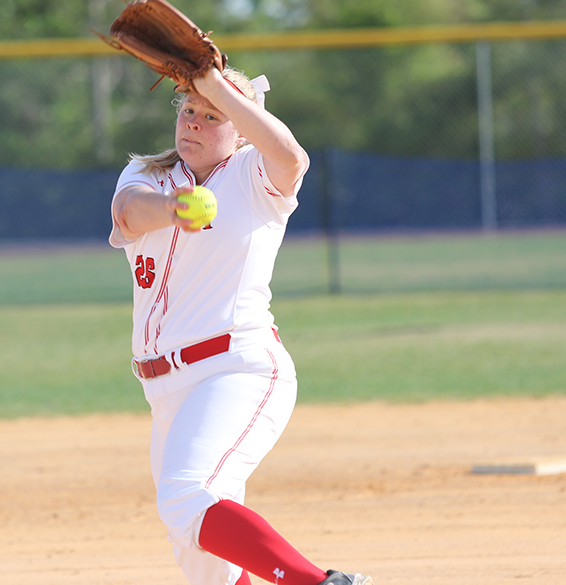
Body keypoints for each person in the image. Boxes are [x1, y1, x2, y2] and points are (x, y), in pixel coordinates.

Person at [108, 64, 373, 585]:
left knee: (186, 495)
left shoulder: (253, 175)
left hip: (237, 369)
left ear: (242, 127)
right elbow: (128, 213)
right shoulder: (150, 175)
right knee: (197, 549)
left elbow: (293, 158)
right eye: (189, 110)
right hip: (165, 389)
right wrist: (172, 208)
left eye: (213, 115)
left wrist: (223, 91)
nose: (194, 123)